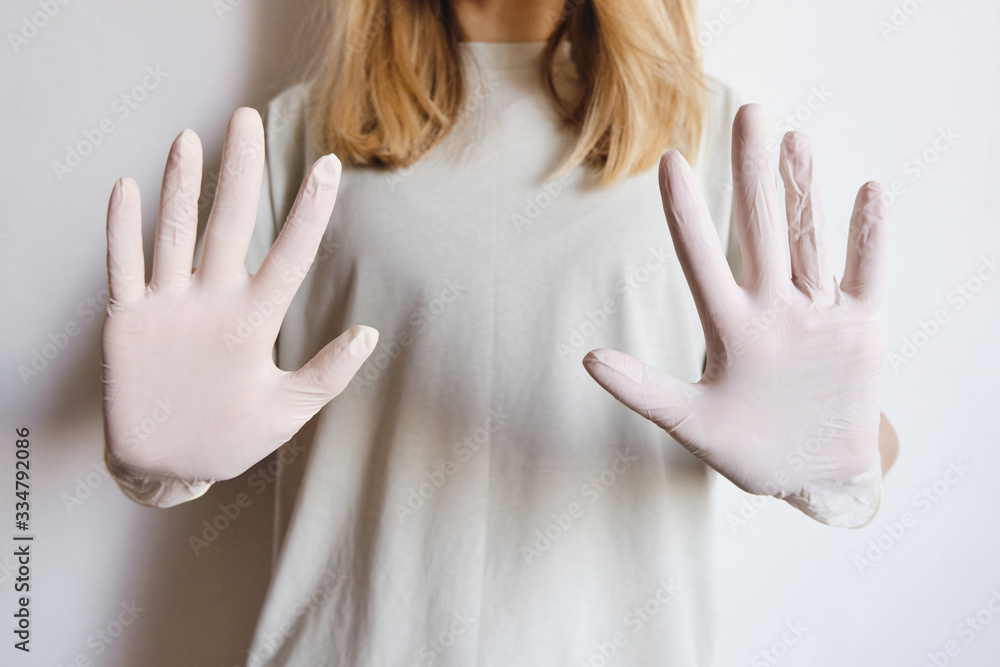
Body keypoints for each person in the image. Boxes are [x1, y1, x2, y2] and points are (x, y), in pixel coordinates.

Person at [100, 0, 899, 664]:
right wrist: (157, 450)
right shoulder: (307, 130)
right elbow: (179, 405)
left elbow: (857, 440)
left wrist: (828, 452)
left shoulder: (705, 129)